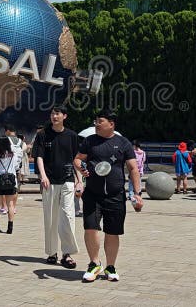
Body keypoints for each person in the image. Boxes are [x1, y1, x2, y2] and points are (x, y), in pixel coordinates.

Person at [75, 109, 143, 283]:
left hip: (115, 195)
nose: (96, 124)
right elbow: (77, 159)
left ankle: (110, 266)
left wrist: (137, 193)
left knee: (112, 232)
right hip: (92, 194)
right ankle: (94, 264)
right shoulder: (89, 141)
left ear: (111, 124)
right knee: (90, 228)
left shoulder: (123, 143)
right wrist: (81, 167)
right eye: (96, 121)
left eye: (100, 121)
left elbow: (133, 168)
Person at [33, 105, 80, 269]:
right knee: (50, 217)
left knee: (67, 216)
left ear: (64, 116)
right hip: (49, 181)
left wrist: (79, 180)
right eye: (52, 113)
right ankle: (52, 252)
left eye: (58, 113)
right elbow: (38, 157)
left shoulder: (72, 136)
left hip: (67, 180)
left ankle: (67, 254)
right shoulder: (43, 135)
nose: (54, 116)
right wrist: (43, 175)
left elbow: (76, 159)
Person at [0, 136, 18, 233]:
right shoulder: (13, 155)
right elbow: (17, 165)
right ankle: (10, 228)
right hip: (11, 182)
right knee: (10, 205)